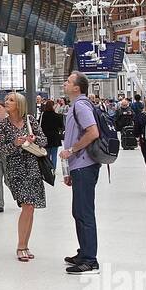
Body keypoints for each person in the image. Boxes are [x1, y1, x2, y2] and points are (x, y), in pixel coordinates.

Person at [0, 92, 47, 261]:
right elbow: (2, 149)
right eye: (7, 100)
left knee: (30, 208)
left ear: (19, 104)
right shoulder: (3, 125)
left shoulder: (30, 120)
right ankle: (21, 246)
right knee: (27, 205)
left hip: (32, 167)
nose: (6, 102)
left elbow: (44, 140)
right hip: (15, 168)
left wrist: (34, 138)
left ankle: (25, 244)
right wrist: (15, 144)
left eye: (11, 100)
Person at [59, 71, 102, 274]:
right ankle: (83, 252)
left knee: (84, 212)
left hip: (84, 164)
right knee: (79, 211)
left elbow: (93, 132)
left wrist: (72, 150)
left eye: (68, 81)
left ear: (77, 87)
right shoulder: (76, 105)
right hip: (79, 166)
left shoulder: (81, 105)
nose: (65, 84)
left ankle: (90, 260)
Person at [40, 99, 63, 166]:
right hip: (55, 138)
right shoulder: (57, 116)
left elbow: (41, 126)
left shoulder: (43, 115)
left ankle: (48, 169)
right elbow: (61, 126)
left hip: (46, 137)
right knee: (54, 155)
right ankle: (53, 170)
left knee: (47, 155)